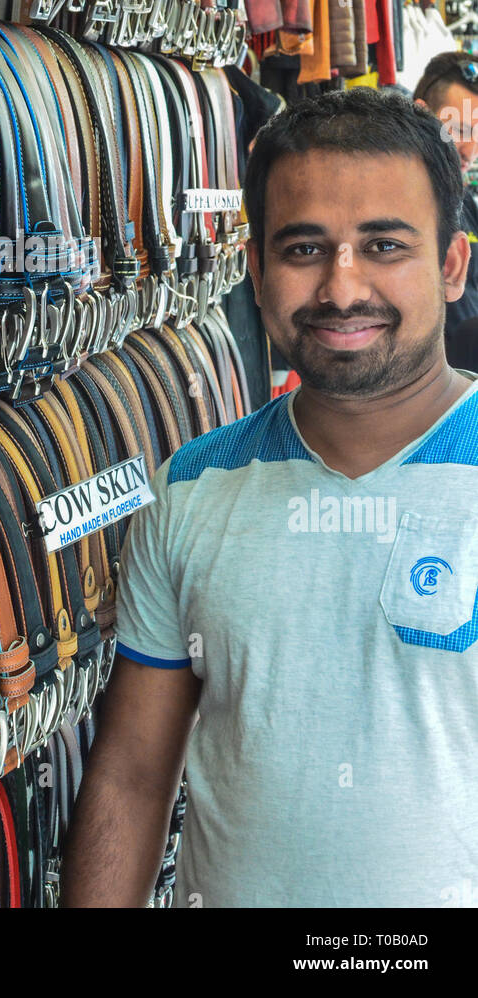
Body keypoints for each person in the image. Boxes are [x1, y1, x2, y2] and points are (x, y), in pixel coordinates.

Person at [60, 88, 476, 909]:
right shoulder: (192, 489)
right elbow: (135, 777)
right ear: (255, 272)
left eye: (383, 245)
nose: (340, 287)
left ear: (451, 265)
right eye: (303, 249)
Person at [413, 51, 478, 358]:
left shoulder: (463, 202)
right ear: (422, 116)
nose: (471, 149)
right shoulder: (383, 205)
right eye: (461, 129)